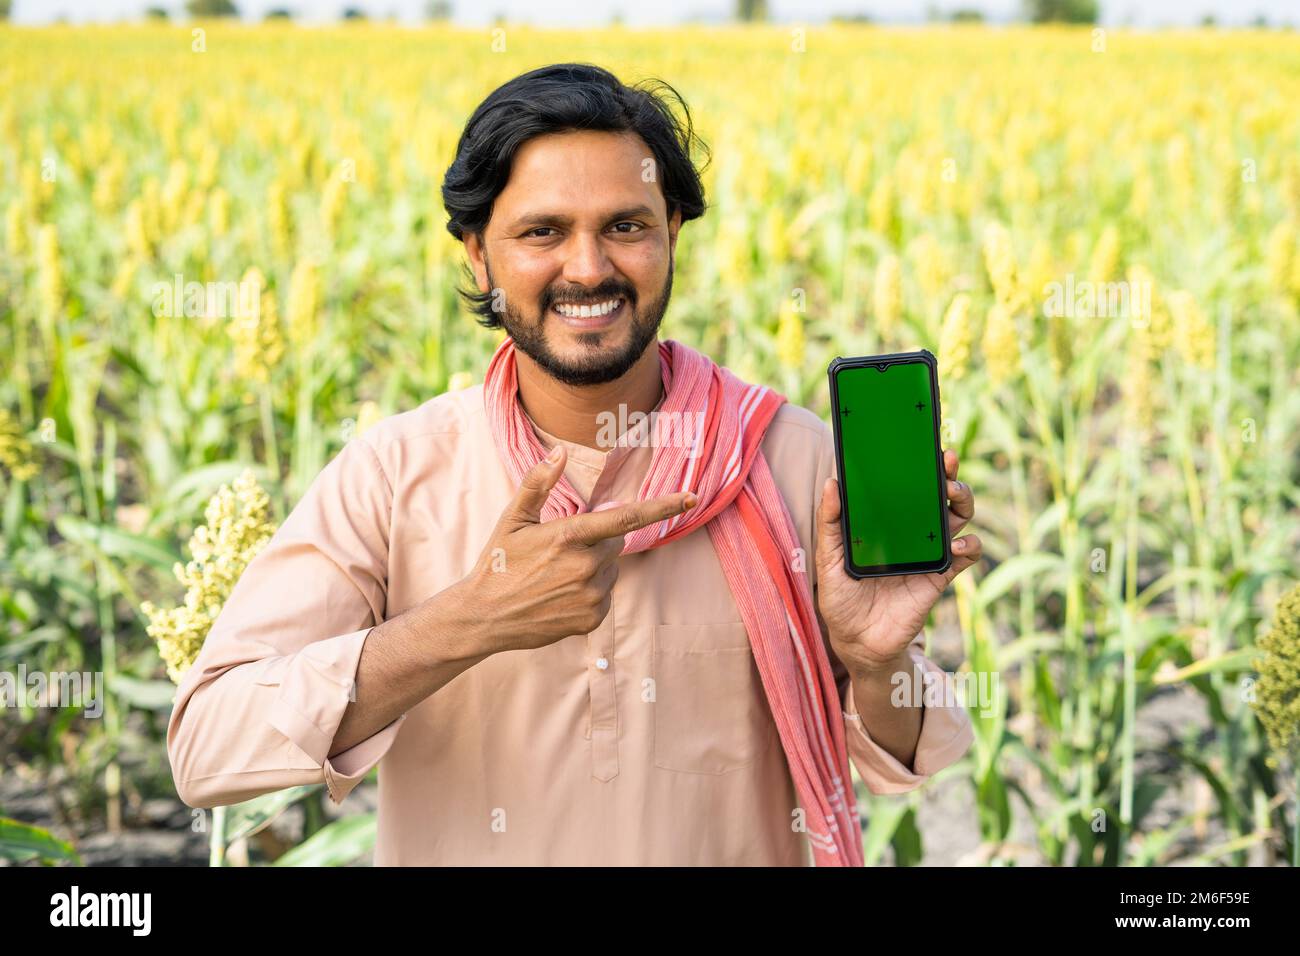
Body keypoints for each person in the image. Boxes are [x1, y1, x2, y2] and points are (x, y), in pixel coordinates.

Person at [167, 62, 983, 866]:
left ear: (672, 236)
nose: (589, 268)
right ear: (479, 256)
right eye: (542, 232)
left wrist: (877, 666)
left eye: (626, 226)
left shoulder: (788, 461)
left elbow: (903, 760)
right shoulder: (395, 475)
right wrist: (469, 620)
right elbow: (208, 748)